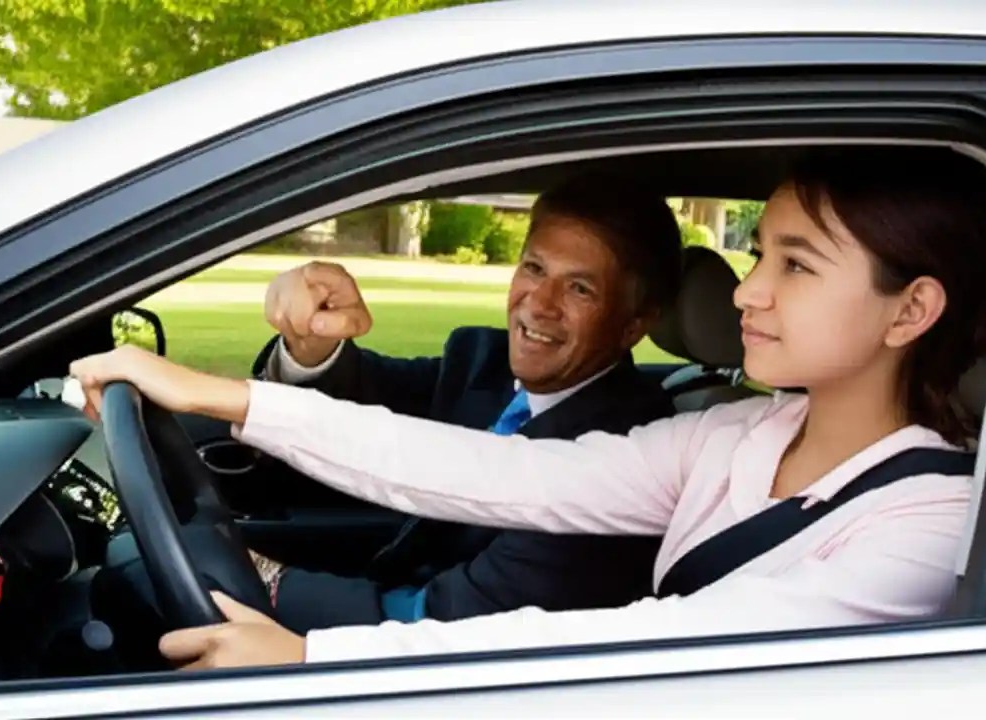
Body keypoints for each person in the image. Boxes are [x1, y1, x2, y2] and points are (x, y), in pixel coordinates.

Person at [70, 145, 986, 671]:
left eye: (795, 265)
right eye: (758, 254)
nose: (745, 293)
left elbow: (659, 649)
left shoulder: (932, 521)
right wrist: (224, 395)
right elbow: (501, 473)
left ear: (913, 309)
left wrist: (314, 662)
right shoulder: (738, 432)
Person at [232, 176, 684, 631]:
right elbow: (364, 396)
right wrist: (311, 343)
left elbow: (445, 623)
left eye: (579, 289)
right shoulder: (480, 362)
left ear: (633, 325)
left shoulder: (623, 461)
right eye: (534, 269)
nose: (539, 304)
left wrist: (271, 583)